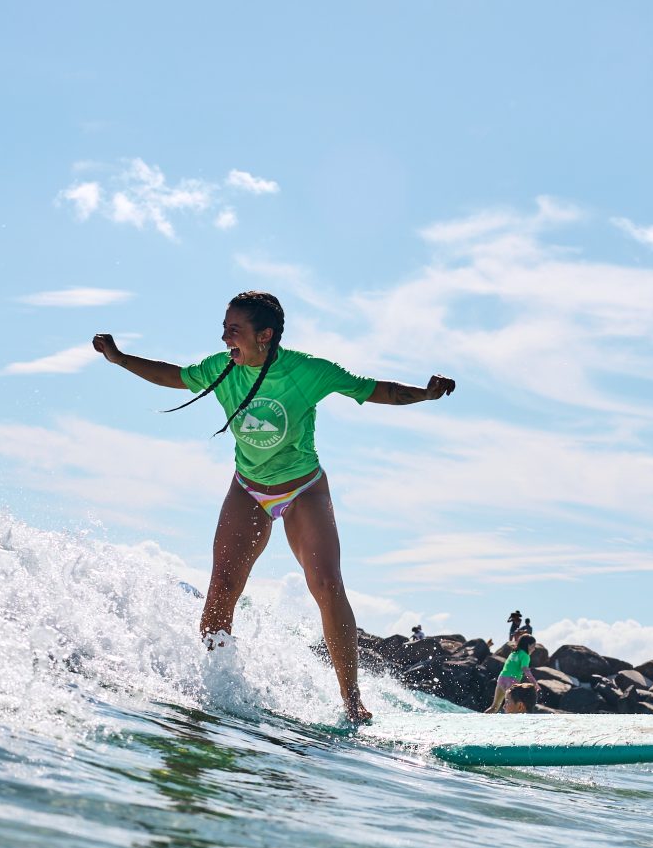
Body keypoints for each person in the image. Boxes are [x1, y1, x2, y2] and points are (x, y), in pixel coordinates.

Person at [93, 291, 456, 722]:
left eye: (234, 329)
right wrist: (121, 359)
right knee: (222, 585)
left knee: (326, 584)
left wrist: (425, 395)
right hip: (247, 488)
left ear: (264, 335)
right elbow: (174, 375)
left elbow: (376, 390)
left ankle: (352, 700)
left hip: (303, 489)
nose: (224, 336)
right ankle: (214, 682)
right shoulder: (221, 367)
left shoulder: (307, 371)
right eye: (225, 326)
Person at [485, 633, 539, 714]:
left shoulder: (513, 653)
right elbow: (525, 669)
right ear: (528, 645)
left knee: (494, 707)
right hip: (512, 680)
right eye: (533, 646)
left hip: (501, 678)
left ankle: (482, 719)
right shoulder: (525, 656)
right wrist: (534, 682)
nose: (534, 649)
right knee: (515, 708)